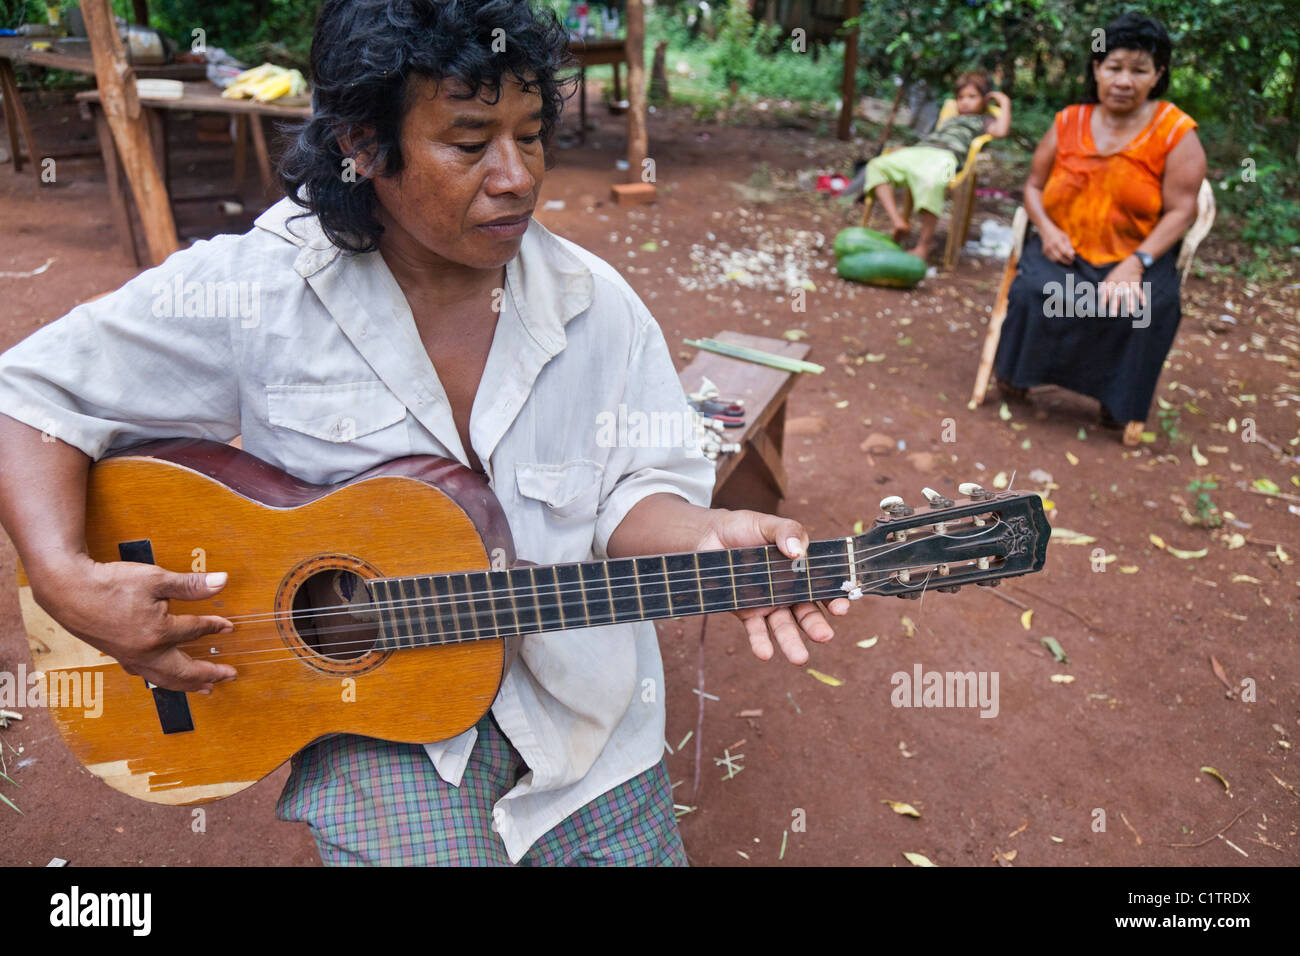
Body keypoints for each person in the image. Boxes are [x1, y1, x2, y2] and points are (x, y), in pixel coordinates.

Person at [0, 0, 851, 866]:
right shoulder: (256, 292)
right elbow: (26, 393)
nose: (517, 175)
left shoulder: (599, 309)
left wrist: (711, 539)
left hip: (584, 722)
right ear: (363, 145)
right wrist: (67, 580)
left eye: (531, 134)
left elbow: (633, 494)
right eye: (471, 142)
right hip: (378, 725)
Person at [992, 12, 1206, 445]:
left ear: (1157, 75)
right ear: (1096, 69)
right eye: (1114, 67)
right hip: (1064, 246)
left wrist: (1137, 262)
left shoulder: (1175, 132)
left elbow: (1182, 211)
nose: (1124, 81)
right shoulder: (1067, 121)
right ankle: (1018, 377)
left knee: (1144, 307)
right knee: (1036, 292)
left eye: (1138, 70)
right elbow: (1033, 187)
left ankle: (1117, 402)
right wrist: (1048, 231)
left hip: (1136, 250)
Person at [862, 70, 1012, 260]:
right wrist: (908, 149)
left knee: (930, 181)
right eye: (961, 97)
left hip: (947, 157)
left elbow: (1000, 131)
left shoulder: (984, 119)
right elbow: (931, 139)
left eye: (972, 97)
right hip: (922, 150)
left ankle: (924, 245)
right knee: (877, 165)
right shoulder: (951, 118)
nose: (965, 102)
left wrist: (1004, 103)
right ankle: (898, 222)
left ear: (984, 100)